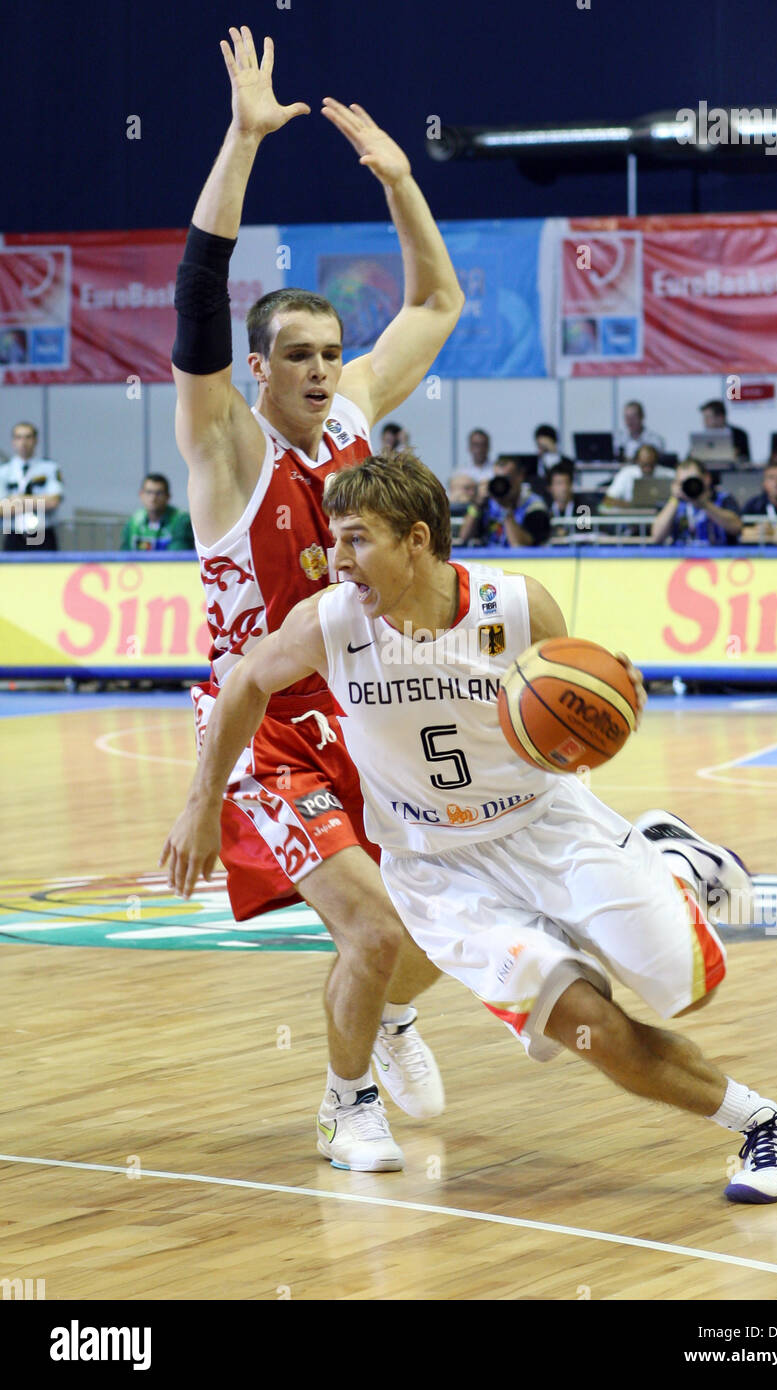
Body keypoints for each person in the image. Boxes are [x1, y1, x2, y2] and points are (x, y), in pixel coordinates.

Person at [163, 451, 777, 1204]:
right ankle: (765, 1124)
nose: (336, 561)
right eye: (334, 540)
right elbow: (242, 679)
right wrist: (201, 801)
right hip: (440, 872)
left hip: (547, 828)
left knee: (683, 988)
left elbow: (570, 710)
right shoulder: (328, 621)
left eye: (355, 540)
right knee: (587, 1029)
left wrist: (614, 692)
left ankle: (668, 860)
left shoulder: (515, 605)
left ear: (415, 539)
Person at [170, 26, 466, 1171]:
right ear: (258, 369)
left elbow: (435, 304)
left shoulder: (350, 423)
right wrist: (243, 142)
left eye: (331, 350)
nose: (322, 367)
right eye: (298, 353)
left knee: (443, 921)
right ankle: (346, 1104)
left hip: (365, 707)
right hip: (261, 731)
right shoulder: (224, 450)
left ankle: (386, 1010)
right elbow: (197, 297)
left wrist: (399, 182)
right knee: (374, 925)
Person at [457, 454, 550, 548]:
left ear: (520, 476)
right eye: (498, 479)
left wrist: (506, 509)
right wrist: (477, 504)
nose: (501, 485)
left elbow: (519, 546)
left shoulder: (534, 506)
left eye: (507, 479)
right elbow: (464, 537)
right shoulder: (488, 502)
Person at [0, 422, 63, 551]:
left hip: (43, 533)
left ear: (35, 440)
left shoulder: (49, 468)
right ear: (13, 441)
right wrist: (39, 501)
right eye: (19, 437)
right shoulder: (4, 471)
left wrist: (16, 500)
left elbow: (53, 501)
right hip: (14, 534)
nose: (23, 442)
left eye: (28, 437)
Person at [651, 458, 742, 546]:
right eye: (683, 482)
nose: (689, 486)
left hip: (719, 558)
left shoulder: (724, 499)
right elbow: (657, 537)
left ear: (706, 478)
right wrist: (674, 499)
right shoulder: (673, 503)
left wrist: (706, 505)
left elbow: (736, 528)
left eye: (693, 481)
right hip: (682, 558)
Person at [120, 474, 195, 551]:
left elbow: (178, 555)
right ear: (141, 494)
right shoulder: (133, 521)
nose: (153, 498)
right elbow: (125, 554)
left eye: (159, 493)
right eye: (149, 492)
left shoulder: (181, 520)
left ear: (168, 496)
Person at [740, 459, 777, 544]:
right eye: (771, 478)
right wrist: (756, 530)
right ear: (764, 482)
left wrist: (771, 532)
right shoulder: (754, 504)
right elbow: (740, 531)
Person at [601, 443, 670, 511]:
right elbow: (608, 500)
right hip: (630, 518)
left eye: (651, 464)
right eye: (644, 464)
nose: (648, 468)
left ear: (656, 461)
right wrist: (632, 506)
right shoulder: (626, 473)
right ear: (637, 461)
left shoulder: (668, 474)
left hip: (661, 516)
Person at [699, 399, 750, 463]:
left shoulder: (739, 435)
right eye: (704, 418)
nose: (705, 421)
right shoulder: (702, 437)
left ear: (720, 417)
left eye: (707, 417)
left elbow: (745, 459)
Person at [546, 462, 585, 539]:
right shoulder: (544, 509)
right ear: (550, 488)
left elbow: (586, 533)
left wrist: (566, 534)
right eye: (559, 483)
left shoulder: (583, 508)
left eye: (567, 483)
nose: (564, 488)